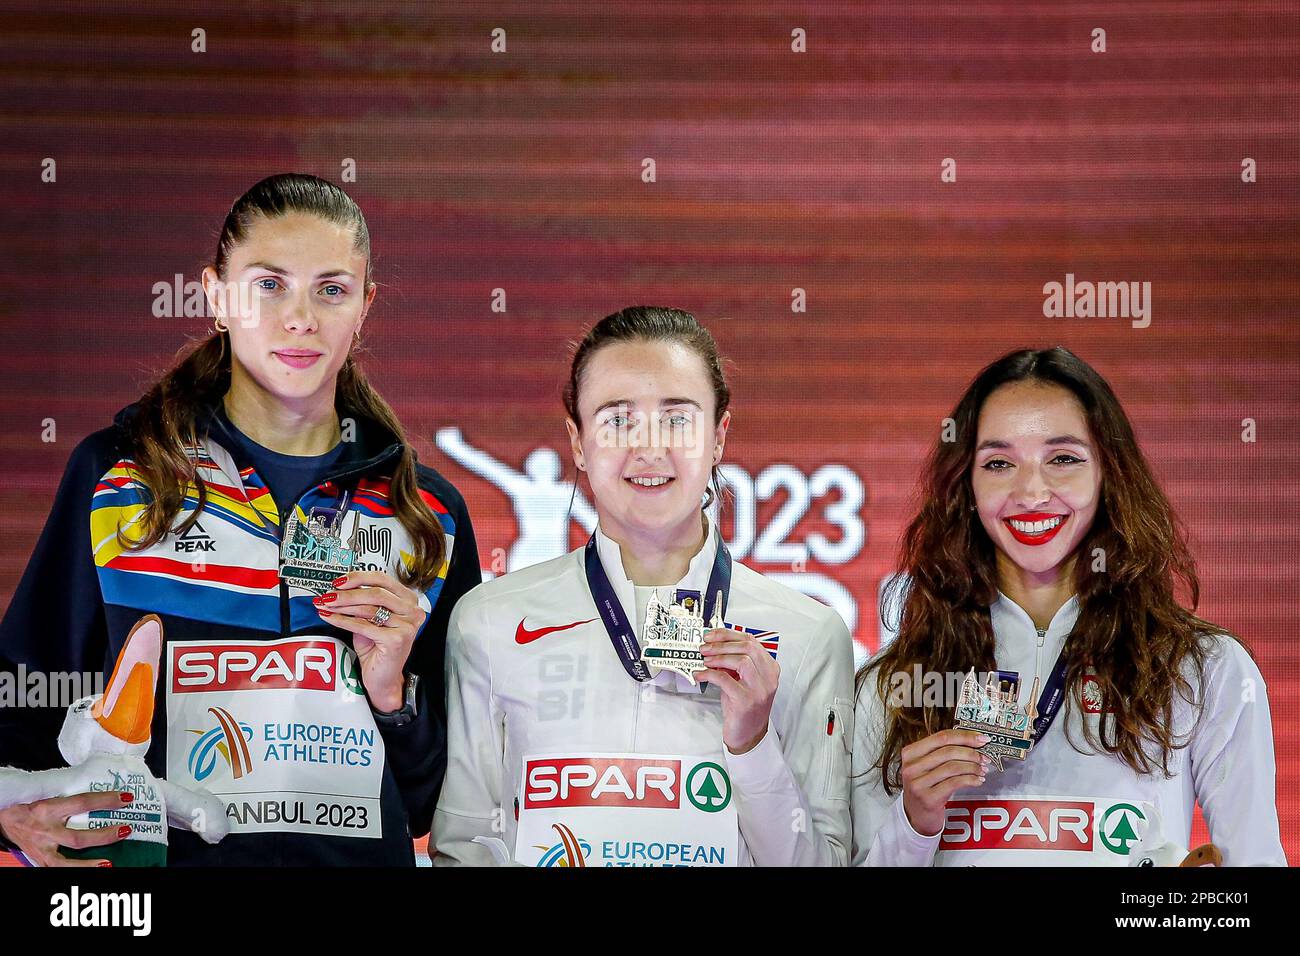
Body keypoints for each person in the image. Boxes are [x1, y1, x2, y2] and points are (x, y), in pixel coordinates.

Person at [0, 173, 480, 866]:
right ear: (216, 295)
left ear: (365, 307)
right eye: (269, 284)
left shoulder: (426, 513)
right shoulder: (119, 477)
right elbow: (25, 702)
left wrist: (393, 695)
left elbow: (436, 796)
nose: (300, 318)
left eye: (331, 289)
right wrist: (16, 813)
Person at [433, 306, 853, 867]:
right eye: (617, 420)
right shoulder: (489, 620)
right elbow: (464, 849)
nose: (649, 447)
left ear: (719, 436)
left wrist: (751, 745)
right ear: (578, 443)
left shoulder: (807, 633)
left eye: (678, 419)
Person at [852, 347, 1285, 866]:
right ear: (966, 486)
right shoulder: (896, 685)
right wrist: (915, 823)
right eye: (998, 463)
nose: (1032, 491)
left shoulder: (1202, 668)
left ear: (1109, 474)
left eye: (1063, 459)